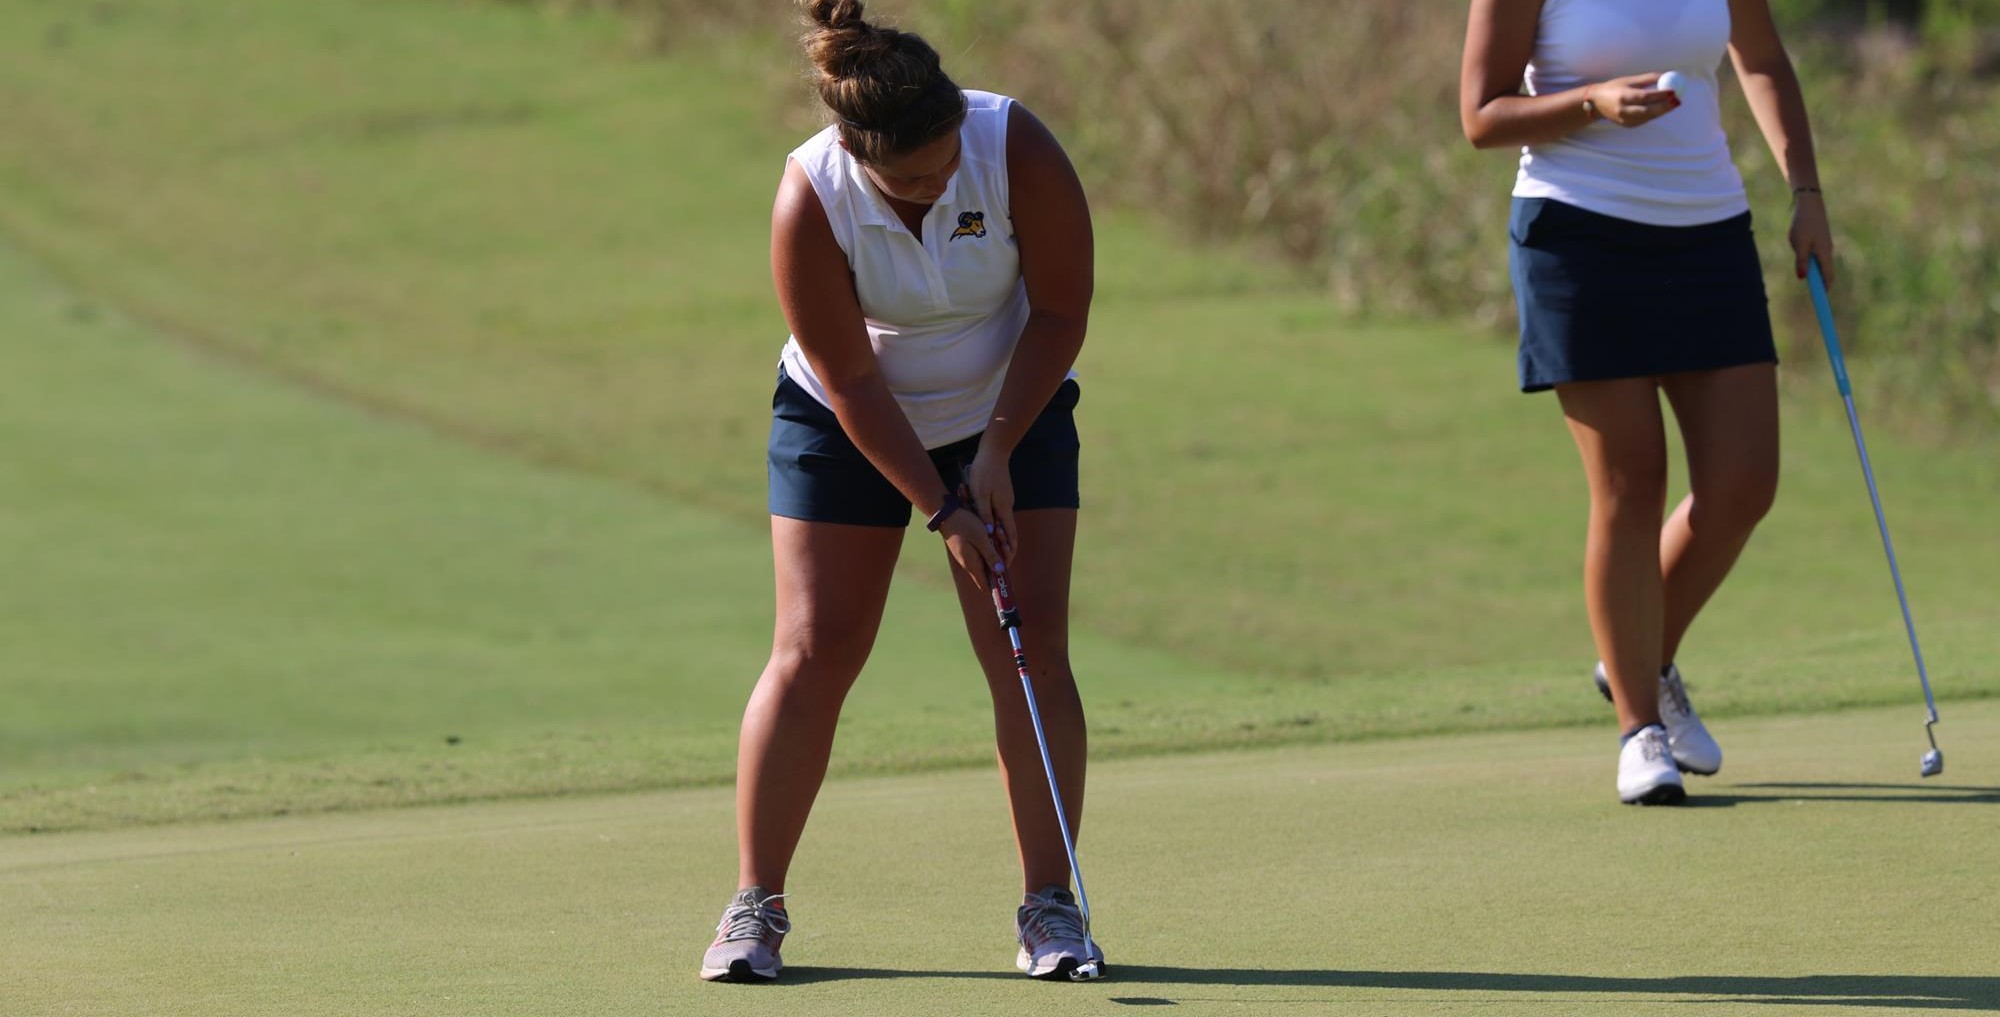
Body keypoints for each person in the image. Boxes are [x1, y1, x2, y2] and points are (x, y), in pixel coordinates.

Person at [698, 0, 1100, 982]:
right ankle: (754, 909)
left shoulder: (1012, 147)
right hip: (847, 426)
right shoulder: (811, 197)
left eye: (943, 159)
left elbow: (1058, 311)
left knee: (1027, 643)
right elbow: (850, 381)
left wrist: (995, 455)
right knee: (815, 646)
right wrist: (941, 503)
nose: (934, 183)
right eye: (909, 178)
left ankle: (1051, 910)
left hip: (1012, 403)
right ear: (856, 154)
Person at [1459, 0, 1834, 804]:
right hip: (1578, 233)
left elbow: (1761, 58)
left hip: (1709, 234)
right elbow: (1483, 117)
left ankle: (1636, 654)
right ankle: (1640, 727)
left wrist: (1806, 190)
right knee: (1631, 484)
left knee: (1743, 485)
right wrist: (1589, 103)